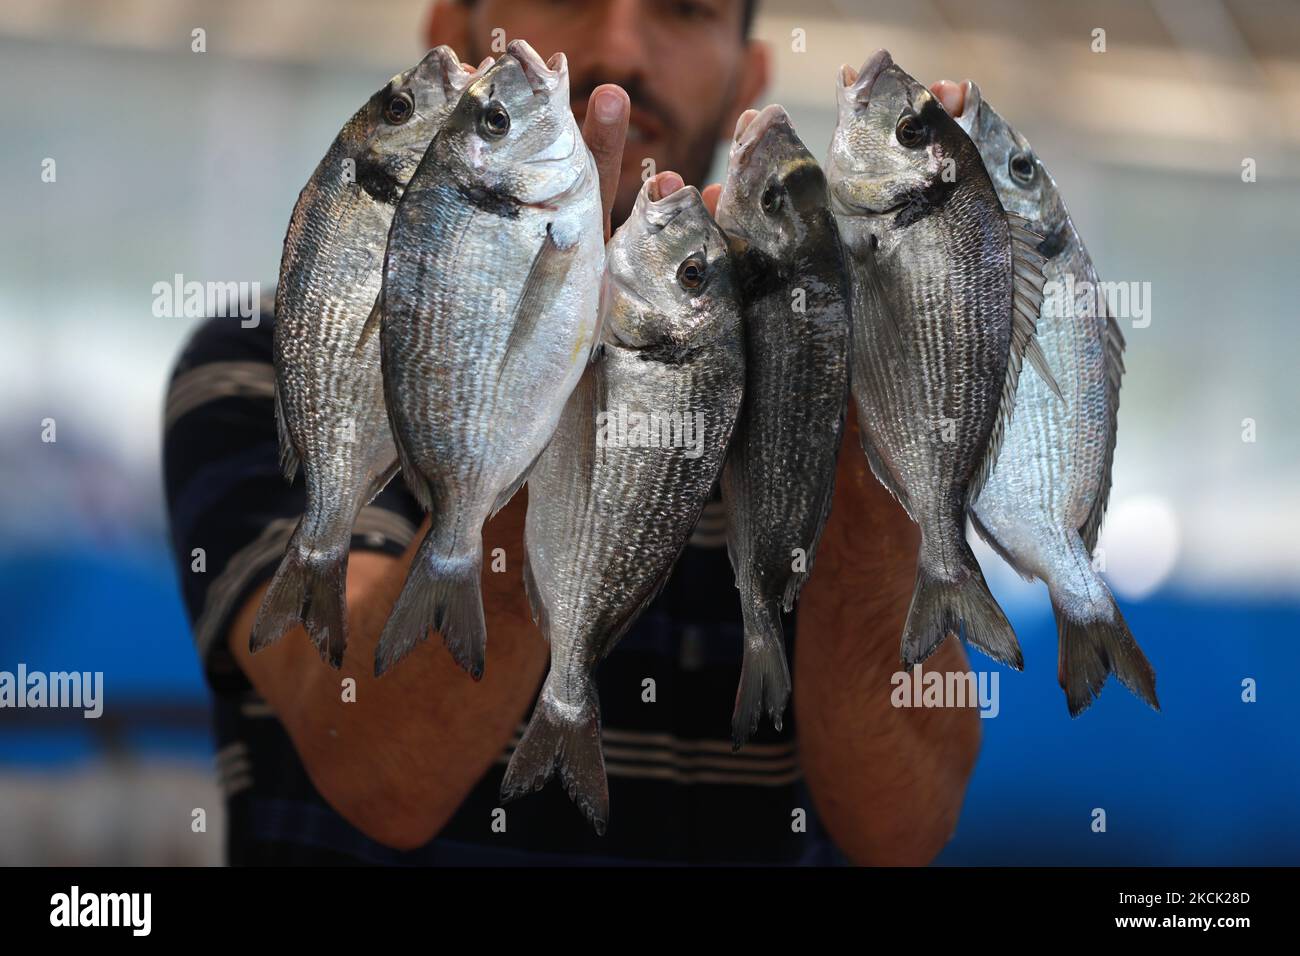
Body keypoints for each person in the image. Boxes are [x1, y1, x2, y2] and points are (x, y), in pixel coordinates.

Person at [164, 0, 981, 865]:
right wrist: (541, 380)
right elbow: (377, 770)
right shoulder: (277, 363)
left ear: (746, 82)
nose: (620, 48)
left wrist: (868, 434)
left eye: (684, 8)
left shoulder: (798, 379)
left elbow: (903, 829)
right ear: (456, 33)